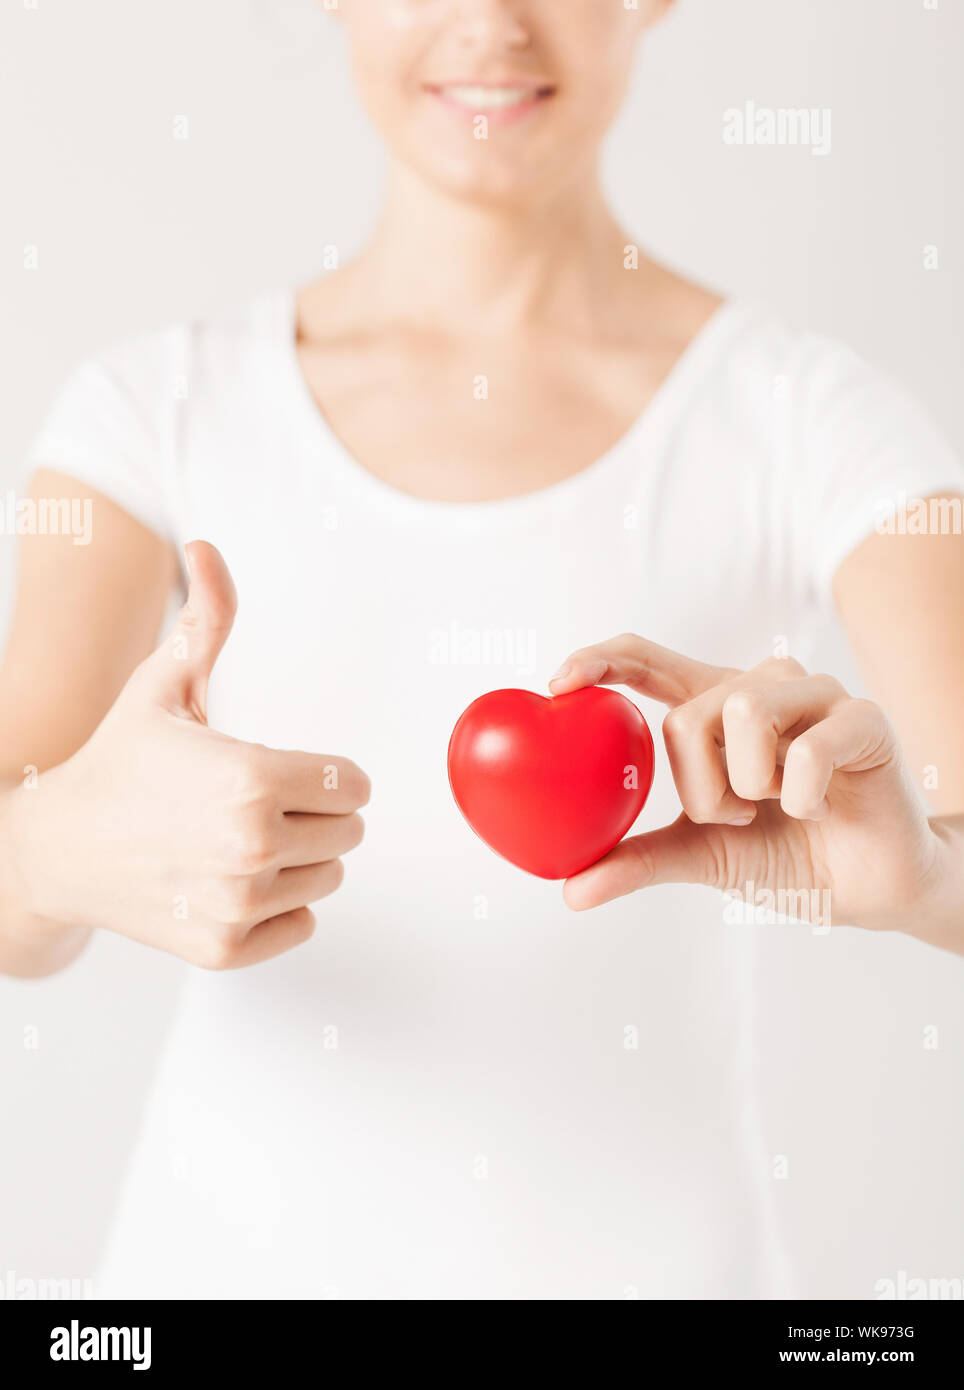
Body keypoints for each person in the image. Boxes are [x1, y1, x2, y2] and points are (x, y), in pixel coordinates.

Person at [1, 0, 962, 1299]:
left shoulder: (814, 418)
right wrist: (63, 845)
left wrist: (925, 883)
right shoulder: (152, 408)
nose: (491, 23)